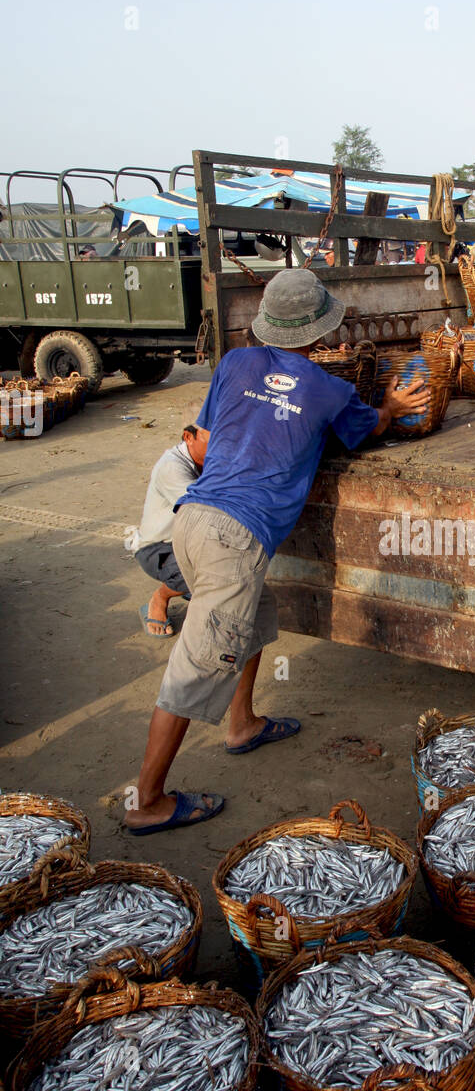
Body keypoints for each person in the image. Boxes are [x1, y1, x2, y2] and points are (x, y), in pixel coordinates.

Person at [124, 268, 430, 836]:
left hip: (191, 521)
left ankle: (241, 723)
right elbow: (372, 428)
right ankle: (146, 801)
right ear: (321, 333)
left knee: (255, 618)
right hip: (235, 540)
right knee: (193, 672)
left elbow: (211, 439)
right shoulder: (331, 390)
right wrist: (387, 405)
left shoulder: (235, 363)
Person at [129, 424, 209, 637]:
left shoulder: (208, 459)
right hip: (157, 548)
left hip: (187, 540)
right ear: (188, 437)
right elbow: (203, 511)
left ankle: (196, 588)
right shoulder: (172, 467)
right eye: (211, 439)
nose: (221, 446)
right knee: (210, 566)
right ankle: (160, 597)